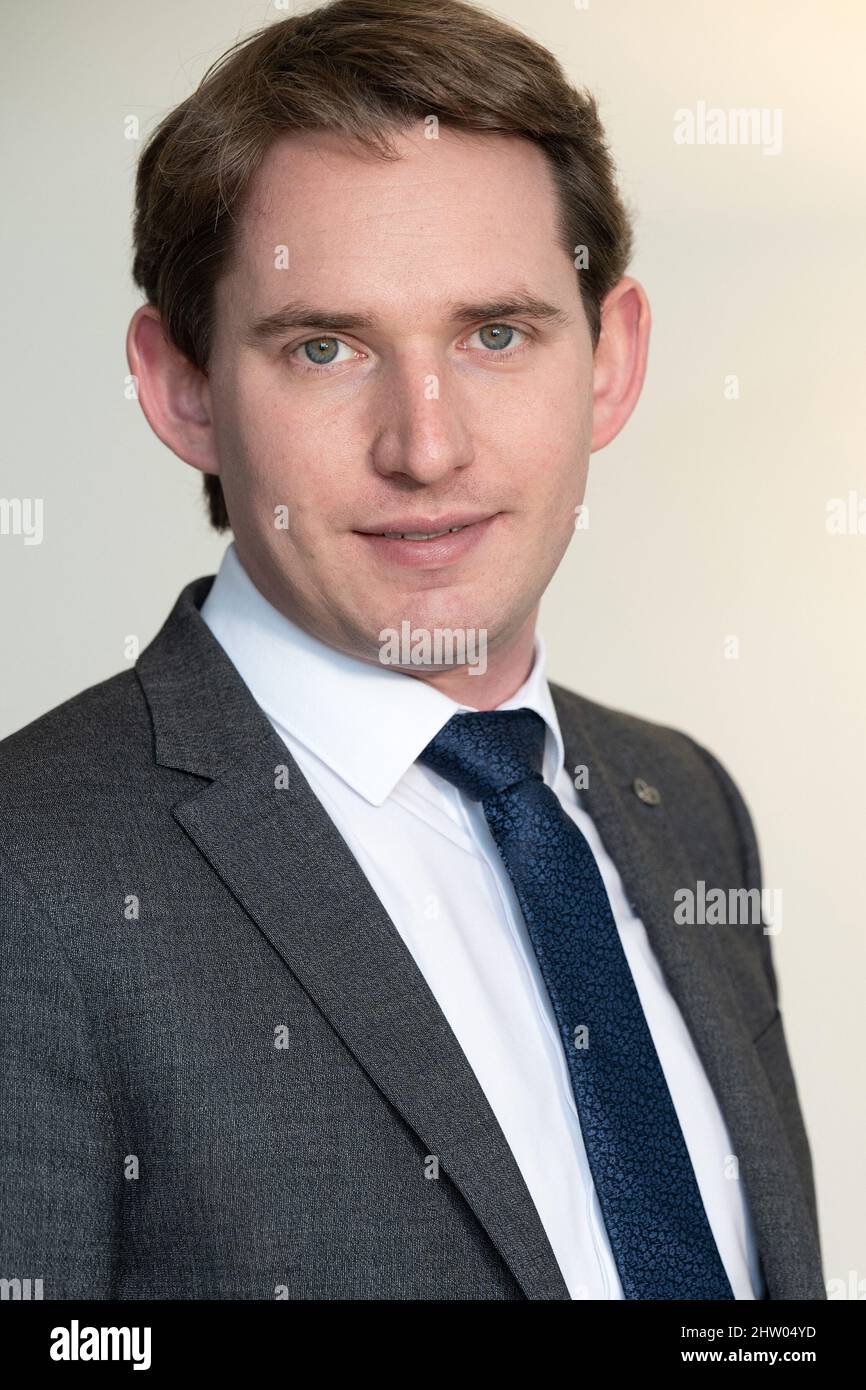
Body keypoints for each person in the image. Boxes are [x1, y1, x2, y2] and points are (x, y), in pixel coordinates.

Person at [0, 0, 823, 1300]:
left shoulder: (685, 808)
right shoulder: (30, 876)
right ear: (183, 390)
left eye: (495, 333)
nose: (425, 446)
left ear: (610, 361)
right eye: (324, 347)